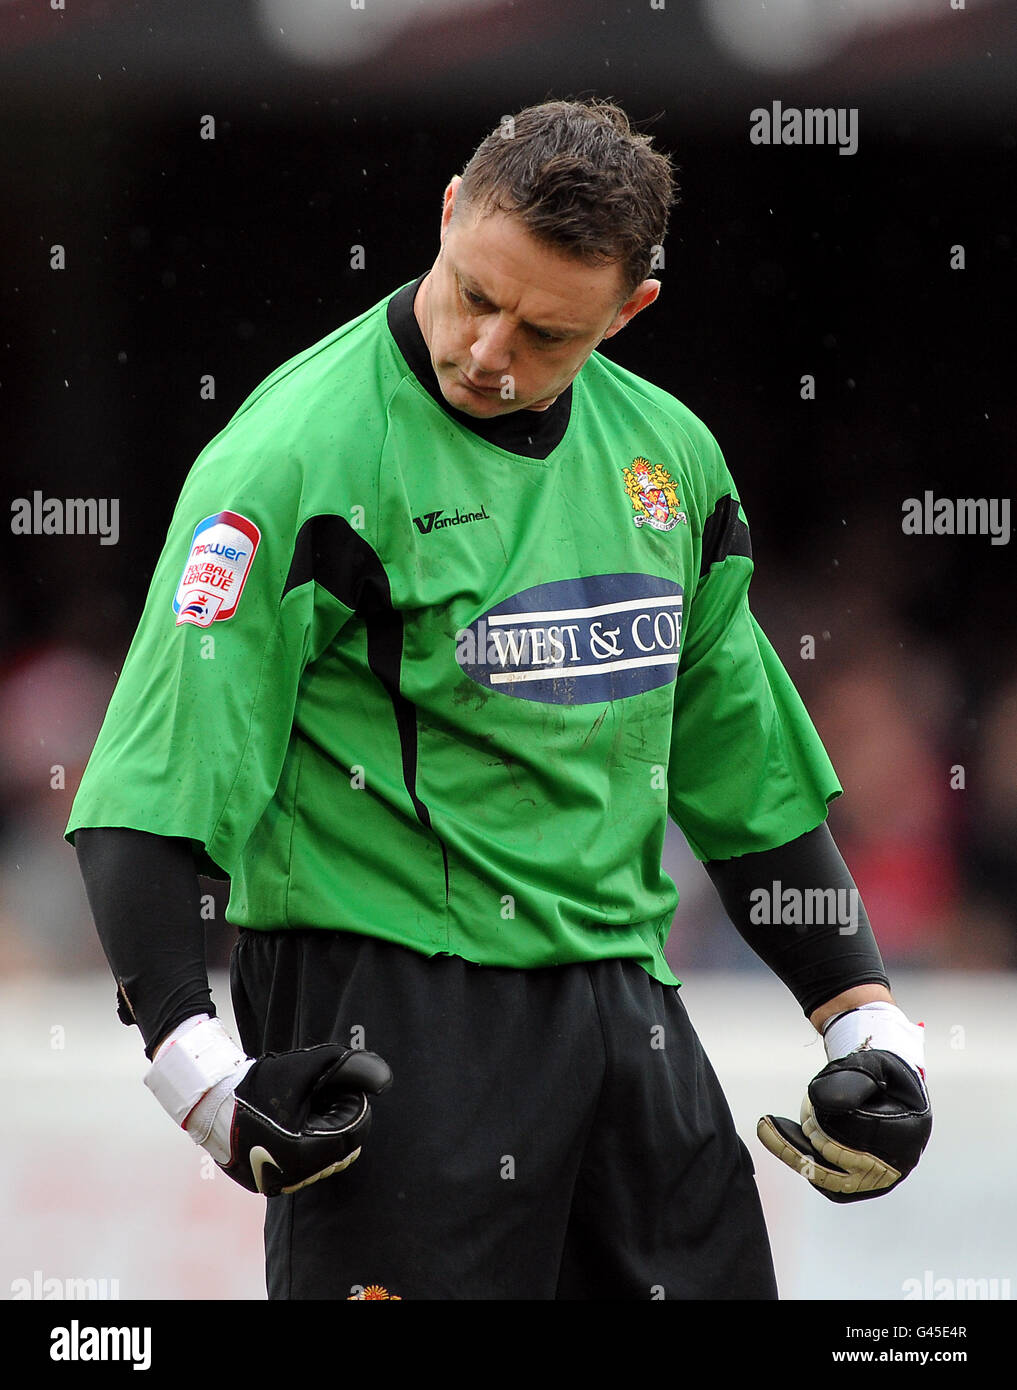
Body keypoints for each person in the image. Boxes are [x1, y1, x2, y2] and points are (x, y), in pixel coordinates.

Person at [67, 99, 931, 1301]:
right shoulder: (290, 461)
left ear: (629, 314)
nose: (487, 351)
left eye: (545, 332)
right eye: (474, 292)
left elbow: (748, 779)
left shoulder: (672, 463)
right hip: (395, 1019)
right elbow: (143, 799)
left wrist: (869, 1027)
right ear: (444, 218)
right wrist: (202, 1080)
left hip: (630, 1004)